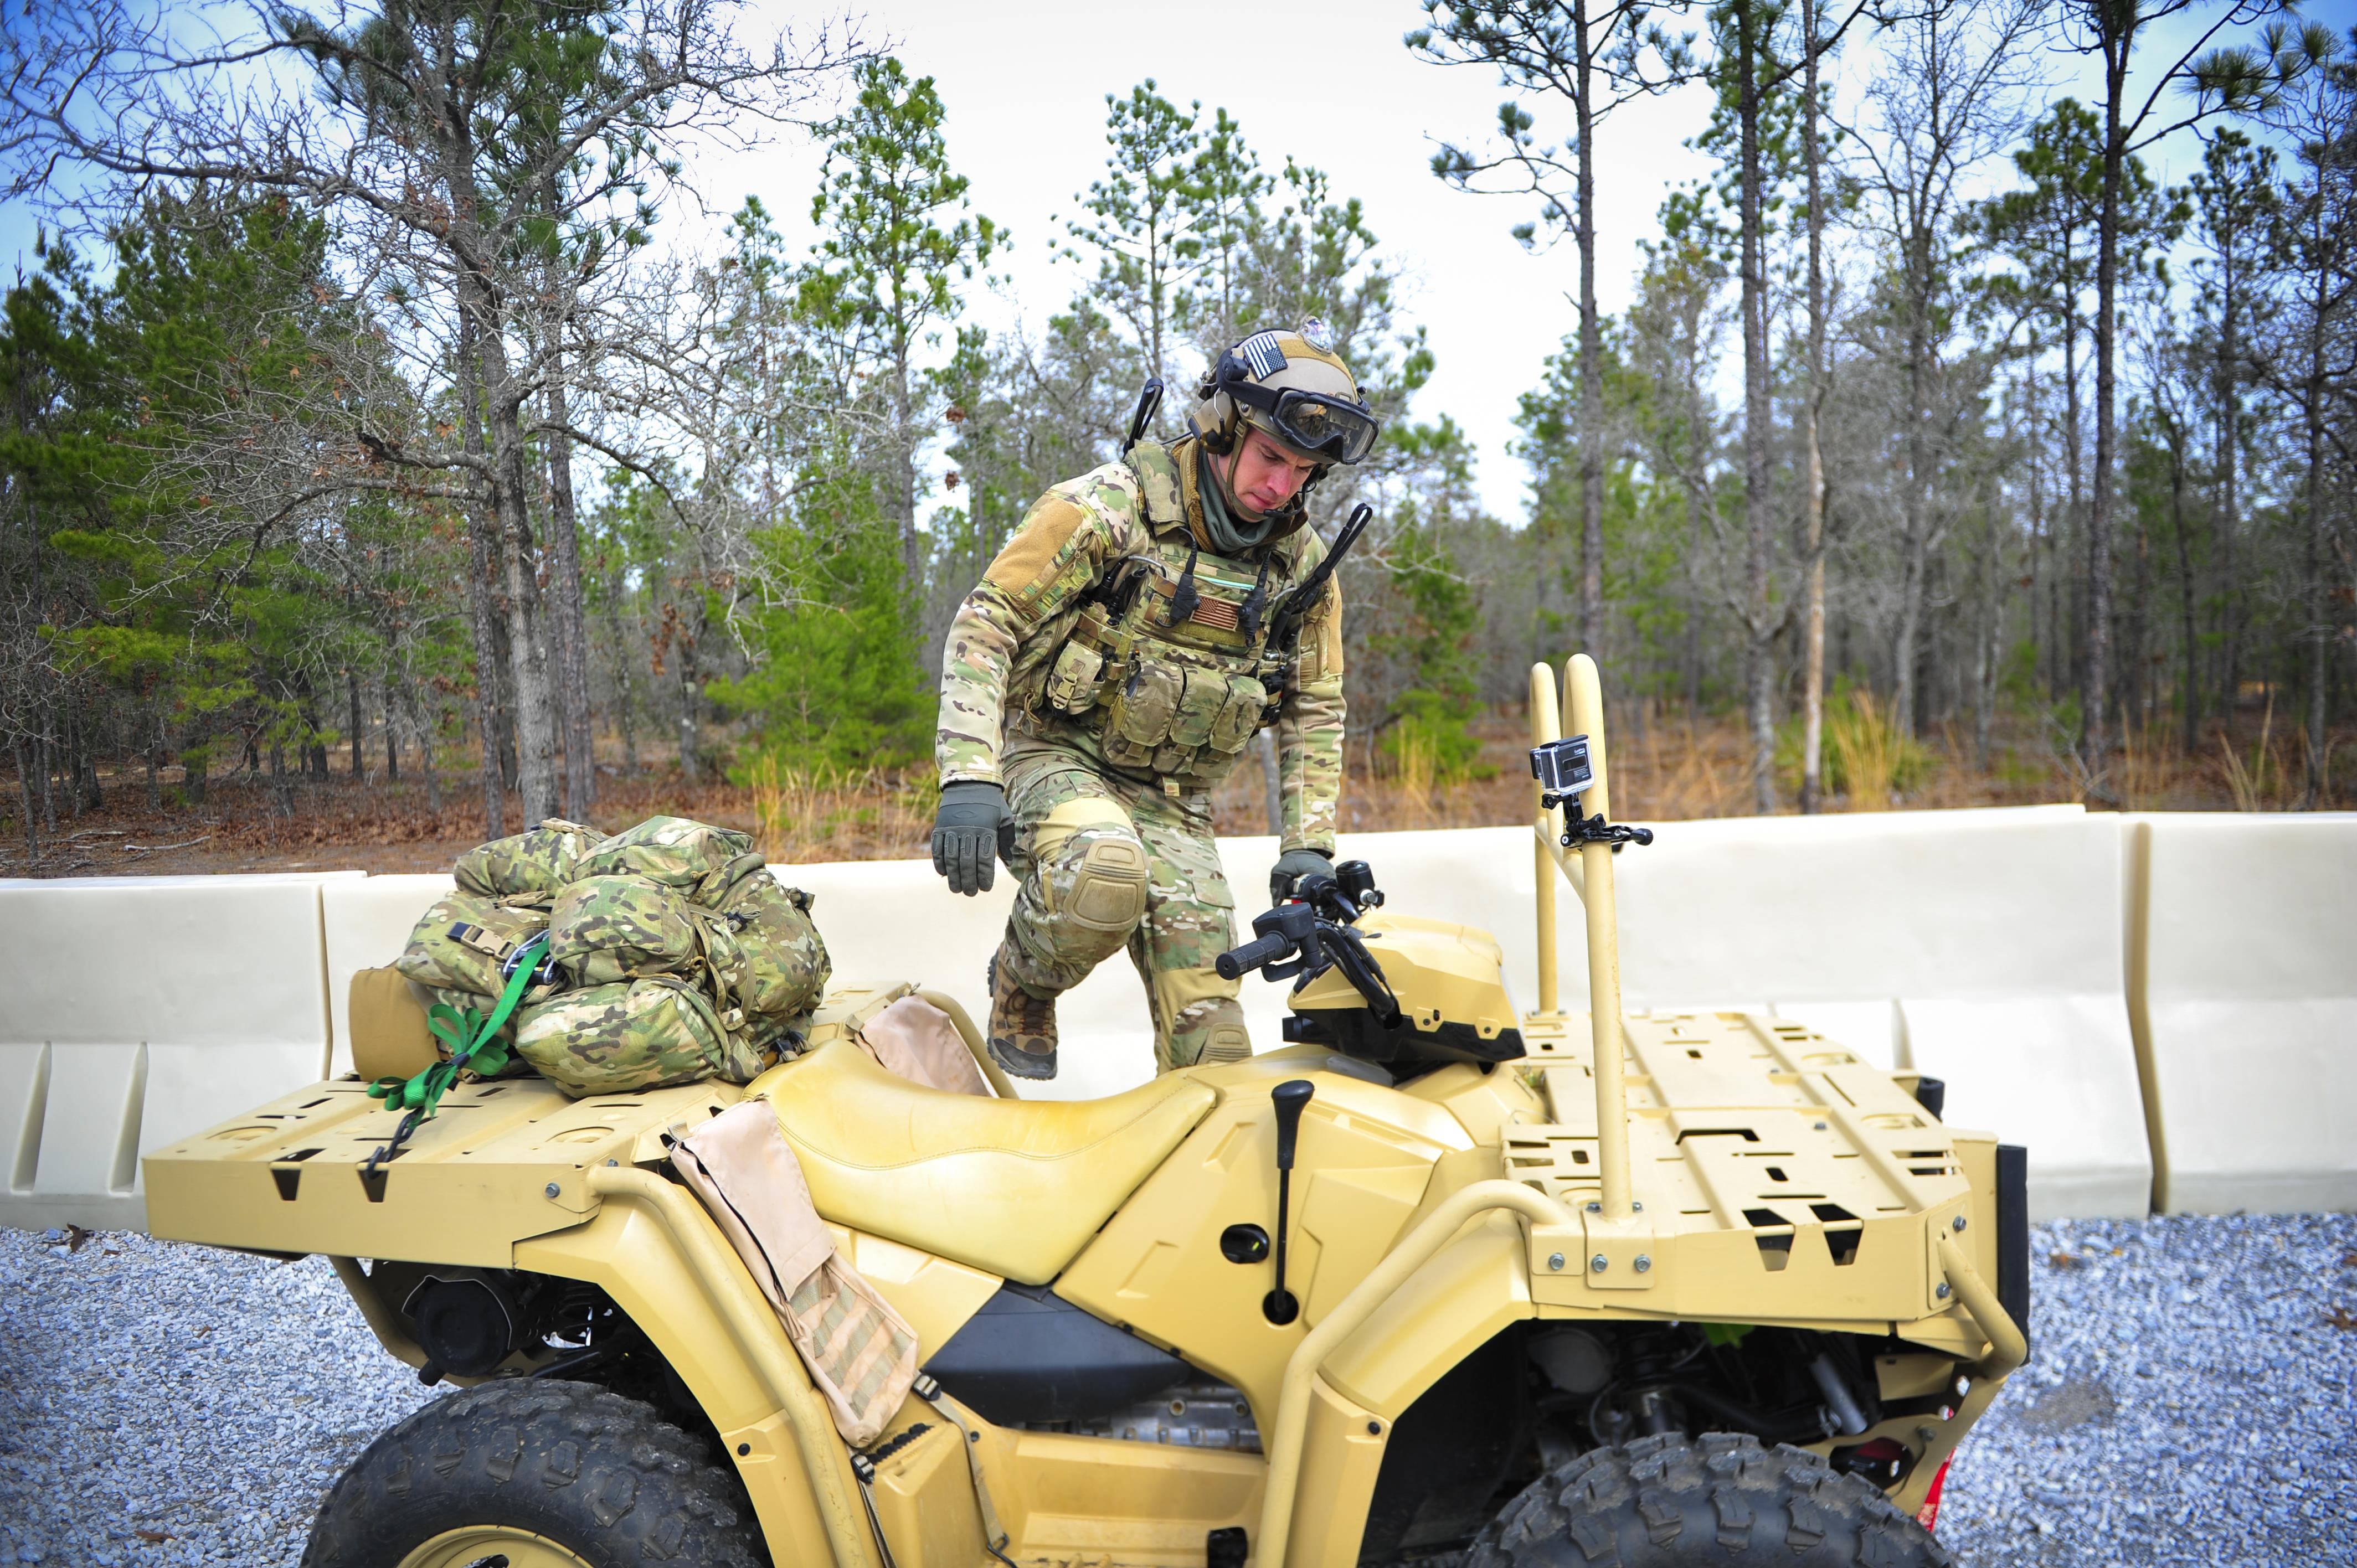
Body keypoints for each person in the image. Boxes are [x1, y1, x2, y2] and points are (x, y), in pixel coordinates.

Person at [930, 321, 1379, 1080]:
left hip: (1176, 802)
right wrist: (970, 778)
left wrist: (1308, 847)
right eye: (1271, 457)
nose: (1281, 486)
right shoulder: (1110, 509)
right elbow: (987, 624)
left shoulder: (1300, 564)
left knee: (1219, 1058)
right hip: (1057, 756)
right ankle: (1023, 985)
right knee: (1106, 871)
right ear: (1224, 428)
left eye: (1303, 471)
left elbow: (1315, 705)